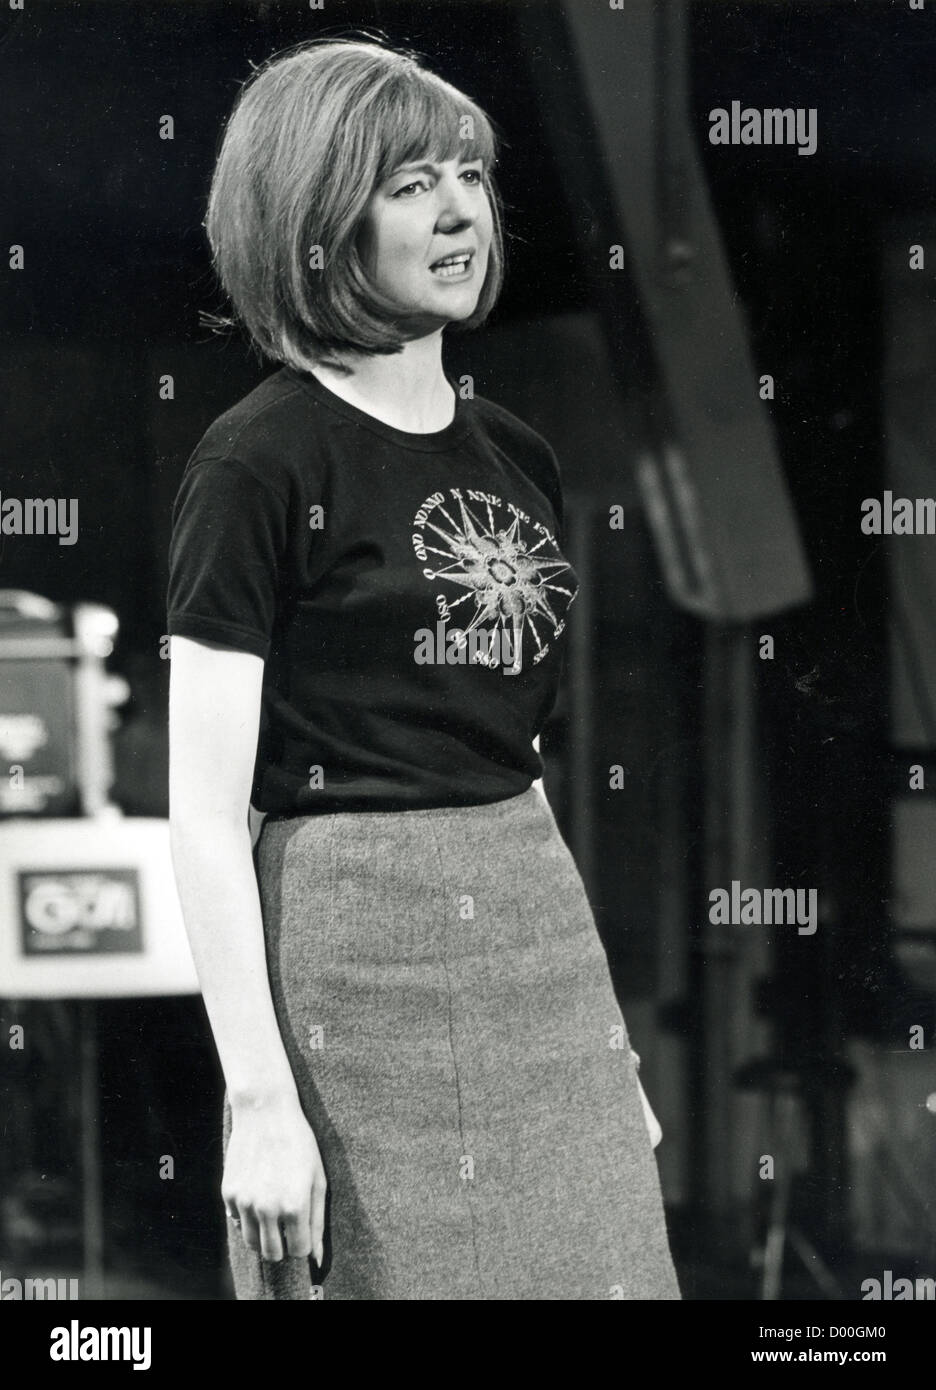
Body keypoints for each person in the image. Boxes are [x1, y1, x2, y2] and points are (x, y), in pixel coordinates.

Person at [166, 35, 680, 1301]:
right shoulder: (259, 462)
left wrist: (602, 1048)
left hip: (532, 932)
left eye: (469, 174)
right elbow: (199, 811)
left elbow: (521, 763)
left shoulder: (517, 454)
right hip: (357, 951)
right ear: (318, 224)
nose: (458, 208)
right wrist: (261, 1103)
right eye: (408, 183)